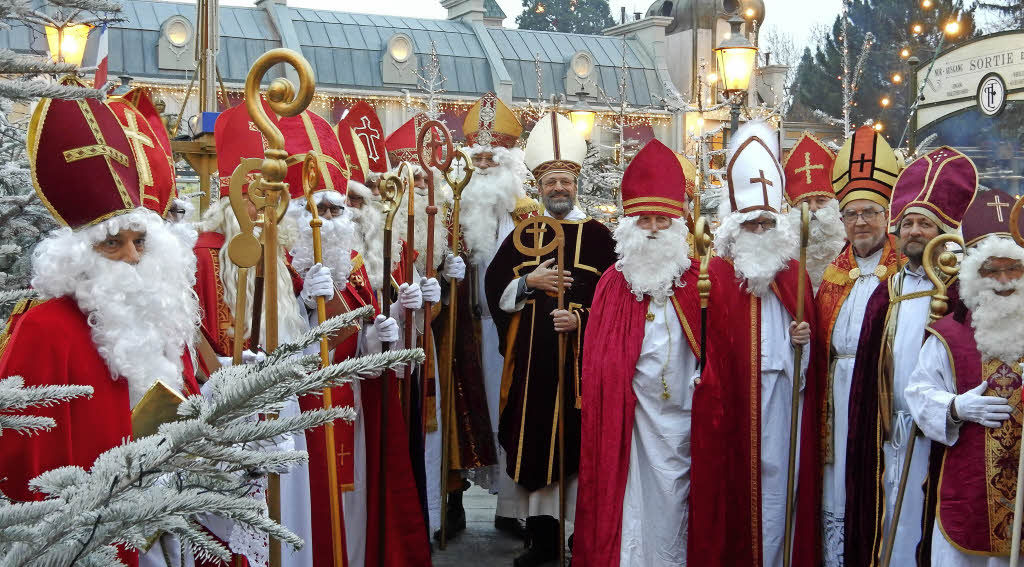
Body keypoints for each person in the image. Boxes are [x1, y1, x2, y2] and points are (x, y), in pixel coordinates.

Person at [0, 95, 202, 567]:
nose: (133, 257)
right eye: (113, 243)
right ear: (77, 255)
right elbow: (27, 462)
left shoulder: (158, 315)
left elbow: (187, 404)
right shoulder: (44, 329)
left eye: (139, 241)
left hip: (165, 523)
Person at [688, 120, 823, 567]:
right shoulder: (719, 277)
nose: (761, 231)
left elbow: (812, 358)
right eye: (752, 223)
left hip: (783, 397)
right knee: (736, 484)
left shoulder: (794, 275)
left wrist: (803, 343)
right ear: (735, 226)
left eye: (768, 223)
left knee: (780, 482)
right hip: (734, 402)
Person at [484, 111, 616, 567]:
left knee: (581, 447)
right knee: (537, 443)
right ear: (539, 186)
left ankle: (583, 538)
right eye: (550, 181)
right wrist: (528, 283)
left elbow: (615, 300)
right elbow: (494, 288)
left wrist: (581, 320)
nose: (559, 188)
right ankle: (541, 540)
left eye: (565, 180)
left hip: (582, 367)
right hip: (533, 367)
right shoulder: (524, 234)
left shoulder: (601, 237)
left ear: (576, 183)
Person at [845, 146, 978, 567]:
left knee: (929, 528)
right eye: (909, 223)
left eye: (926, 223)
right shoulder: (889, 290)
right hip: (890, 431)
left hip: (941, 433)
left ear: (945, 232)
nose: (915, 231)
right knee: (888, 526)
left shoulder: (963, 292)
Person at [574, 139, 699, 566]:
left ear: (677, 224)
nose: (650, 228)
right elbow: (598, 360)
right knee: (630, 510)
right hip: (630, 420)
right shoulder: (613, 282)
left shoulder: (697, 282)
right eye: (642, 218)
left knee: (676, 511)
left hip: (684, 421)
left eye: (661, 219)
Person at [434, 92, 539, 539]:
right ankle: (453, 503)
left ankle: (512, 510)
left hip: (514, 334)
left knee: (513, 413)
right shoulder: (450, 209)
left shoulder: (530, 215)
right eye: (476, 158)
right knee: (460, 411)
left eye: (491, 158)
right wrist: (444, 271)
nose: (482, 165)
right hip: (463, 332)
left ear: (510, 161)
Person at [905, 189, 1024, 567]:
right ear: (974, 275)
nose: (1003, 279)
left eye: (1013, 268)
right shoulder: (949, 334)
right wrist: (956, 407)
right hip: (968, 492)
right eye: (992, 270)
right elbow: (919, 392)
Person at [813, 126, 904, 567]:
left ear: (887, 216)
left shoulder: (906, 273)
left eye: (870, 212)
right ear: (842, 221)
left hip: (883, 398)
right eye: (852, 214)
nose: (861, 222)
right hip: (837, 396)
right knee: (837, 487)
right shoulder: (832, 273)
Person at [783, 133, 847, 292]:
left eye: (821, 201)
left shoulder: (850, 253)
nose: (812, 208)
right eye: (805, 202)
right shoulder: (782, 260)